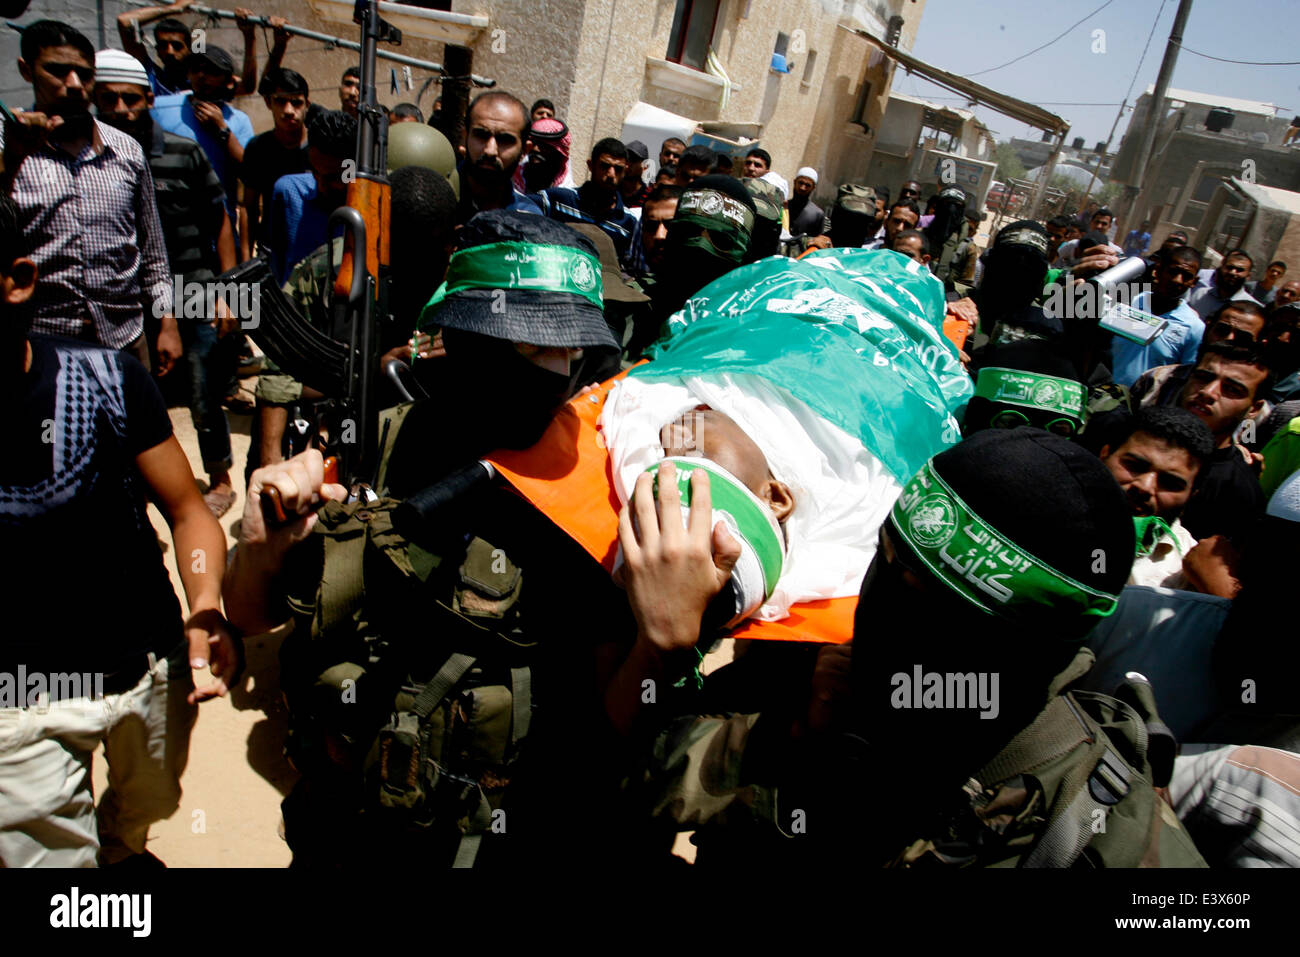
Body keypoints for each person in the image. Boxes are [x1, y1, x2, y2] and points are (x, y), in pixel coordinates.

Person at [225, 211, 639, 869]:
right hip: (349, 824)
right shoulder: (377, 442)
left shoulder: (594, 482)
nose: (558, 371)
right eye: (534, 347)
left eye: (573, 349)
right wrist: (265, 540)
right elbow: (248, 612)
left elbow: (608, 720)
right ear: (467, 337)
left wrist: (665, 642)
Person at [611, 427, 1204, 868]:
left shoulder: (1098, 829)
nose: (891, 610)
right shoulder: (837, 694)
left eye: (942, 614)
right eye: (890, 564)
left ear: (1028, 649)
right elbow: (634, 777)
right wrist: (663, 647)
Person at [0, 193, 239, 868]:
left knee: (149, 807)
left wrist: (204, 607)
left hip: (146, 665)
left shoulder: (105, 379)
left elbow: (189, 511)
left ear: (17, 280)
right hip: (18, 706)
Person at [94, 49, 241, 518]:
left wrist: (228, 293)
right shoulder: (94, 163)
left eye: (132, 99)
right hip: (129, 295)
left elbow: (221, 221)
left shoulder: (183, 150)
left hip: (194, 285)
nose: (121, 110)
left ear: (148, 98)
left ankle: (219, 476)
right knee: (136, 398)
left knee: (203, 388)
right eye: (109, 99)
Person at [1, 20, 180, 376]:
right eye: (56, 71)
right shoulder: (8, 146)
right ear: (27, 70)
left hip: (123, 338)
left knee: (133, 429)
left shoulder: (126, 151)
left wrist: (169, 324)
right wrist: (15, 160)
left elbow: (153, 253)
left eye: (83, 74)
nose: (73, 85)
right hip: (39, 345)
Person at [1098, 407, 1214, 588]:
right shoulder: (1048, 509)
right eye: (1134, 466)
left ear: (1191, 496)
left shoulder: (1185, 572)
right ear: (1105, 454)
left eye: (1170, 483)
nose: (1145, 487)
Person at [1175, 341, 1272, 541]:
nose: (1207, 392)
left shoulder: (1239, 492)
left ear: (1253, 408)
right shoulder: (1131, 438)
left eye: (1231, 389)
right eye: (1203, 377)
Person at [151, 45, 255, 229]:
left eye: (211, 71)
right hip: (166, 223)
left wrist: (222, 130)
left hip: (217, 225)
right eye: (195, 70)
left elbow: (250, 174)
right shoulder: (160, 108)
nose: (201, 76)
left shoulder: (238, 120)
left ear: (229, 81)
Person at [264, 109, 355, 284]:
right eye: (315, 172)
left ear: (351, 169)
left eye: (332, 178)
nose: (321, 186)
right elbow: (278, 263)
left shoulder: (369, 212)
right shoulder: (288, 193)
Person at [532, 137, 645, 274]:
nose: (611, 174)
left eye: (618, 169)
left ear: (625, 171)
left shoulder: (628, 222)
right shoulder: (557, 200)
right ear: (591, 165)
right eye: (604, 166)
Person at [1130, 301, 1270, 409]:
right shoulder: (1157, 379)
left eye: (1242, 338)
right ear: (1208, 328)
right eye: (1221, 331)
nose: (1228, 339)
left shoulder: (1254, 410)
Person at [117, 1, 261, 99]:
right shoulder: (152, 76)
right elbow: (124, 22)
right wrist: (174, 9)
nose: (170, 52)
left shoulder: (202, 82)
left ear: (188, 49)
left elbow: (247, 87)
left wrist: (249, 35)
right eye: (163, 45)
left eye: (177, 46)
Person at [238, 68, 310, 262]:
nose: (288, 110)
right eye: (281, 101)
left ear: (307, 105)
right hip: (271, 251)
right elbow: (249, 207)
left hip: (314, 249)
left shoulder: (320, 147)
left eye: (296, 103)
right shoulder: (257, 148)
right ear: (269, 102)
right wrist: (246, 261)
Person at [1110, 245, 1204, 388]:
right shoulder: (1128, 302)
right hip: (1103, 394)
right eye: (1173, 272)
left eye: (1186, 276)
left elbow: (1183, 377)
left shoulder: (1194, 327)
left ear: (1194, 282)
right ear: (1158, 271)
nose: (1177, 280)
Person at [456, 91, 540, 224]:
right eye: (481, 136)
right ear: (464, 138)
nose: (490, 150)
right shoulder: (435, 200)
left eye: (505, 140)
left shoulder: (529, 218)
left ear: (524, 150)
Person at [1187, 249, 1260, 321]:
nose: (1232, 272)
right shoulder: (1199, 294)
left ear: (1248, 276)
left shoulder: (1253, 308)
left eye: (1239, 270)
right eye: (1229, 268)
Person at [513, 116, 574, 193]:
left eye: (543, 146)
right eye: (533, 143)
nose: (535, 149)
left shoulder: (567, 195)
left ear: (559, 154)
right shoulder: (512, 182)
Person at [1054, 207, 1122, 267]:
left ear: (1109, 226)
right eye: (1097, 222)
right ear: (1091, 222)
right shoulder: (1073, 245)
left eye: (1104, 224)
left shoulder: (1115, 251)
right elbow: (1055, 261)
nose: (1099, 226)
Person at [639, 183, 679, 276]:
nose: (659, 236)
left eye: (671, 225)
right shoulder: (632, 289)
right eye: (651, 226)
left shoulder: (715, 288)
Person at [784, 167, 824, 239]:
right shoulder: (783, 207)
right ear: (794, 182)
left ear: (813, 188)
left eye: (807, 185)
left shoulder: (817, 214)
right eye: (800, 183)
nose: (802, 188)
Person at [621, 140, 651, 210]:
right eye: (626, 159)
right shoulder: (612, 188)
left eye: (633, 160)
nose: (628, 164)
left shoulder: (650, 195)